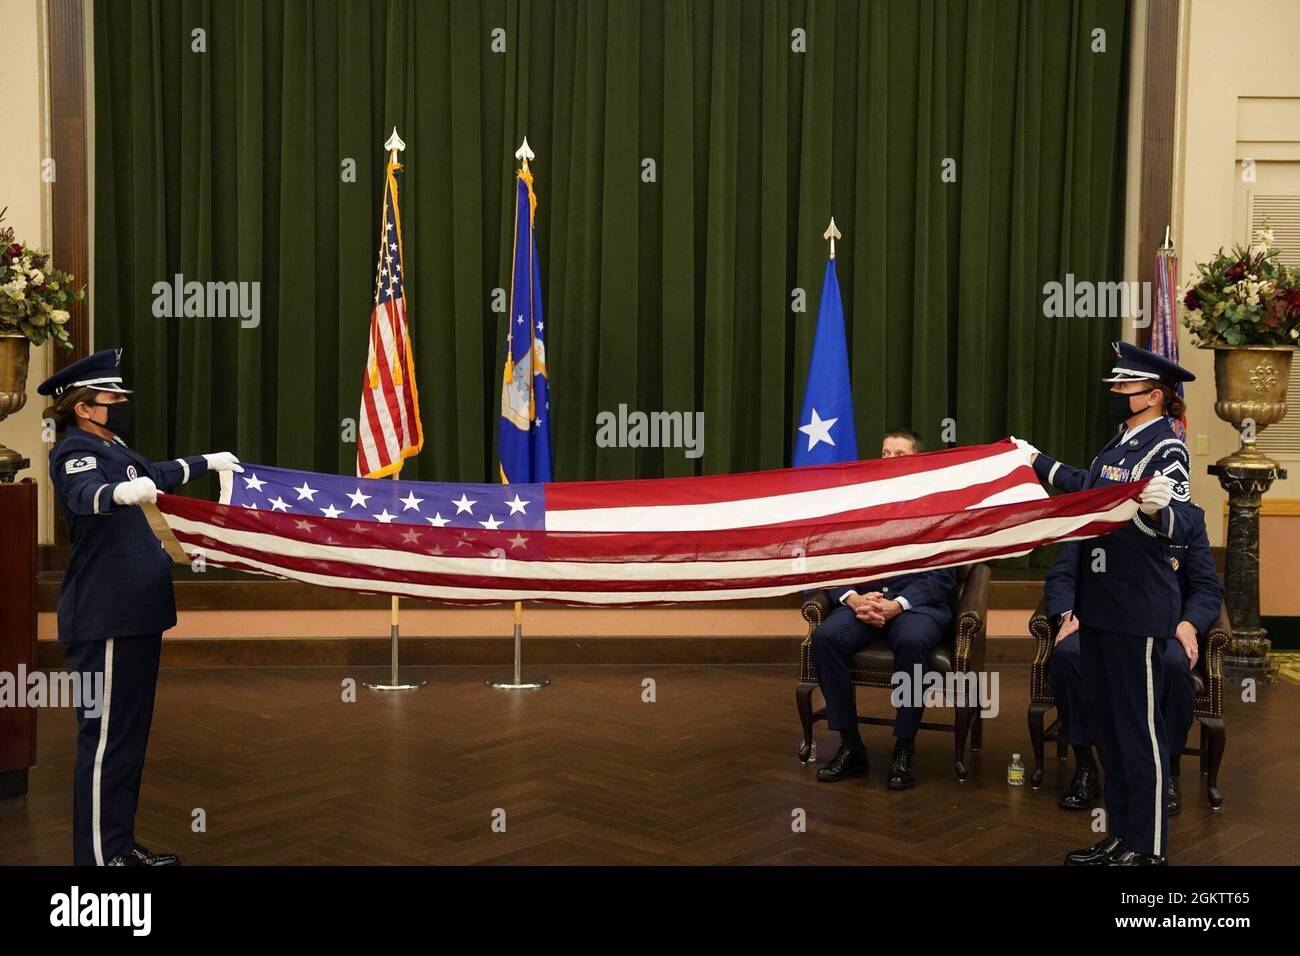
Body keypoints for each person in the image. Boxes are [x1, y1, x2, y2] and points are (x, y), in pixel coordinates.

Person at [39, 348, 243, 866]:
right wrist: (120, 493)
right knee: (105, 742)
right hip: (105, 615)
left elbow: (158, 473)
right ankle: (98, 861)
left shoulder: (115, 445)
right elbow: (85, 494)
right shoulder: (75, 450)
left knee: (127, 742)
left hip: (136, 612)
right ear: (84, 406)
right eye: (114, 398)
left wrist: (207, 463)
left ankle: (118, 847)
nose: (123, 404)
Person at [1013, 341, 1195, 866]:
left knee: (1141, 735)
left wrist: (1160, 513)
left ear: (1154, 395)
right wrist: (1036, 462)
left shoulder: (1167, 448)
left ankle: (1150, 847)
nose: (1115, 394)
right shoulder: (1119, 444)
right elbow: (1090, 490)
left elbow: (1181, 520)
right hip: (1100, 607)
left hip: (1137, 610)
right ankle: (1120, 837)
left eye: (1123, 387)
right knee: (1111, 732)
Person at [1044, 500, 1222, 814]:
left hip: (1163, 625)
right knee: (1068, 657)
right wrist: (1069, 613)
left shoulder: (1187, 519)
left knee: (1174, 665)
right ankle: (1086, 766)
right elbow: (1062, 576)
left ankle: (1167, 773)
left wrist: (1189, 623)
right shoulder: (1097, 510)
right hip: (1100, 621)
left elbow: (1207, 587)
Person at [810, 428, 959, 789]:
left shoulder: (941, 505)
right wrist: (852, 597)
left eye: (900, 454)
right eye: (885, 453)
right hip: (865, 601)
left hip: (917, 606)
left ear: (918, 460)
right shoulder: (860, 501)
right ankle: (850, 746)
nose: (890, 460)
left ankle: (904, 748)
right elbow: (829, 556)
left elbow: (944, 575)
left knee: (912, 644)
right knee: (826, 637)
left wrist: (898, 604)